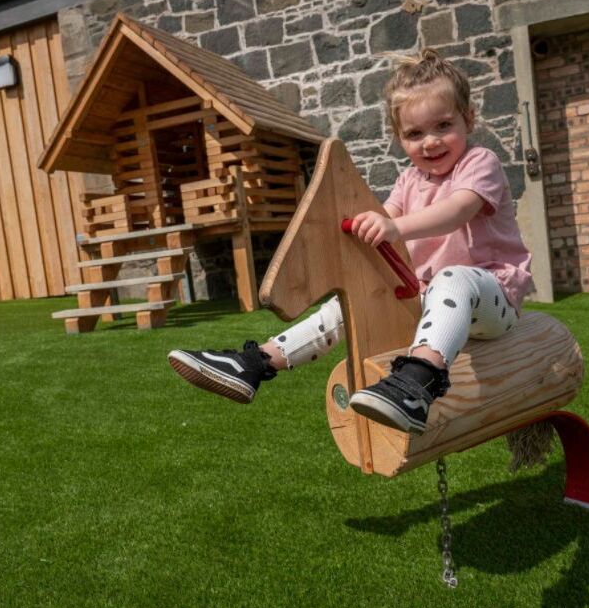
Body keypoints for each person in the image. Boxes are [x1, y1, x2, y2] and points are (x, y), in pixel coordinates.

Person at [168, 48, 532, 435]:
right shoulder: (409, 180)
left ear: (469, 118)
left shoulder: (478, 162)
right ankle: (256, 363)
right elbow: (383, 215)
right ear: (399, 138)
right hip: (427, 298)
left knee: (453, 277)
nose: (430, 142)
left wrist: (393, 228)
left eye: (443, 126)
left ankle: (420, 381)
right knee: (347, 303)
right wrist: (361, 226)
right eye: (414, 134)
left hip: (491, 296)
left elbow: (458, 210)